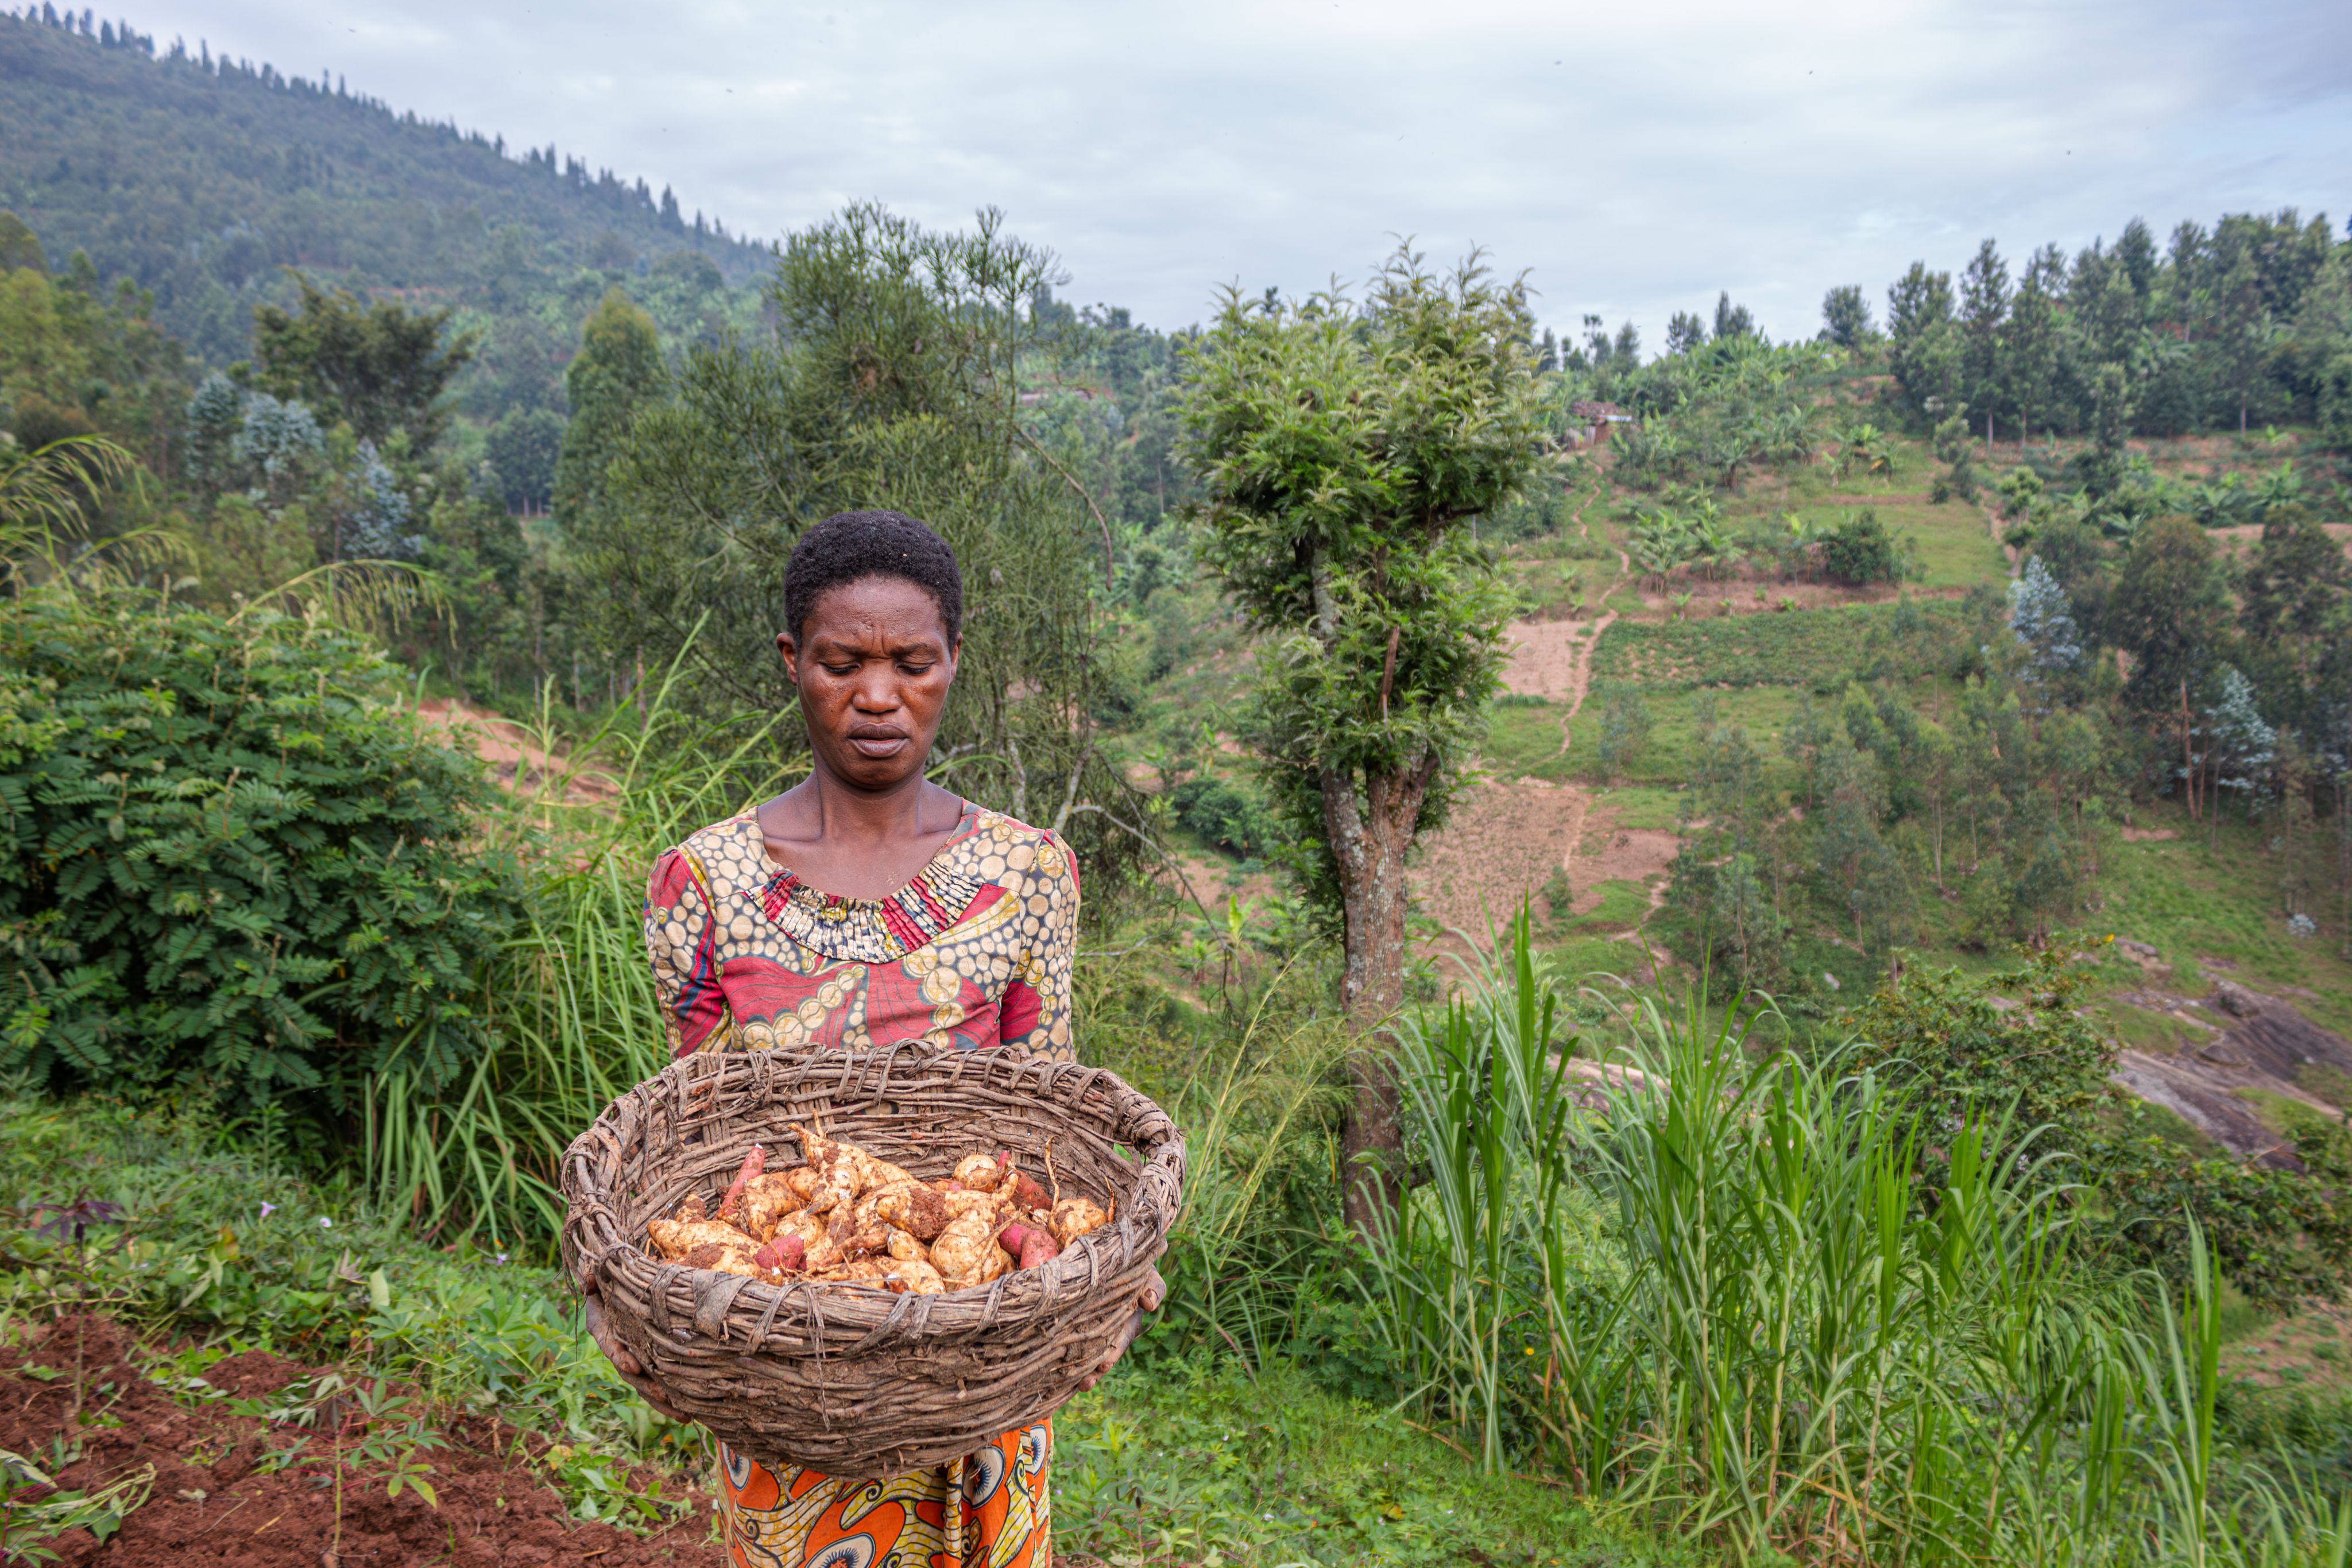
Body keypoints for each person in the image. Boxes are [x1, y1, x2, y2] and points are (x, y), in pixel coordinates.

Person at [582, 509, 1162, 1568]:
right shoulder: (704, 880)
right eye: (843, 662)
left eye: (914, 662)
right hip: (787, 1362)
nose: (880, 696)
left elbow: (1045, 1118)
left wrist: (1103, 1274)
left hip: (983, 1348)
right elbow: (703, 1142)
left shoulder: (1029, 872)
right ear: (792, 662)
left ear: (954, 665)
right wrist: (630, 1295)